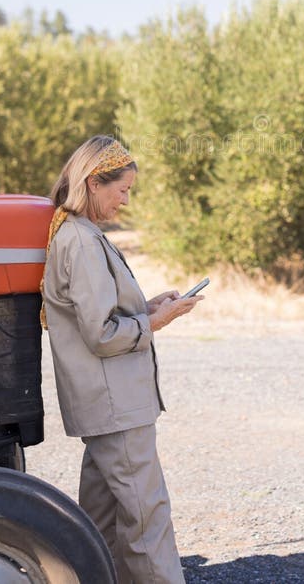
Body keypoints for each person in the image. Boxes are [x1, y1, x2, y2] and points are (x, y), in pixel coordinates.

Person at [41, 134, 202, 583]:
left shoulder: (76, 234)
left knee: (100, 523)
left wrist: (149, 307)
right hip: (117, 407)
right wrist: (157, 322)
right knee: (147, 520)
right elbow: (103, 334)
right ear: (94, 182)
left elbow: (97, 317)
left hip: (105, 406)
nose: (125, 200)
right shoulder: (83, 241)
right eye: (123, 189)